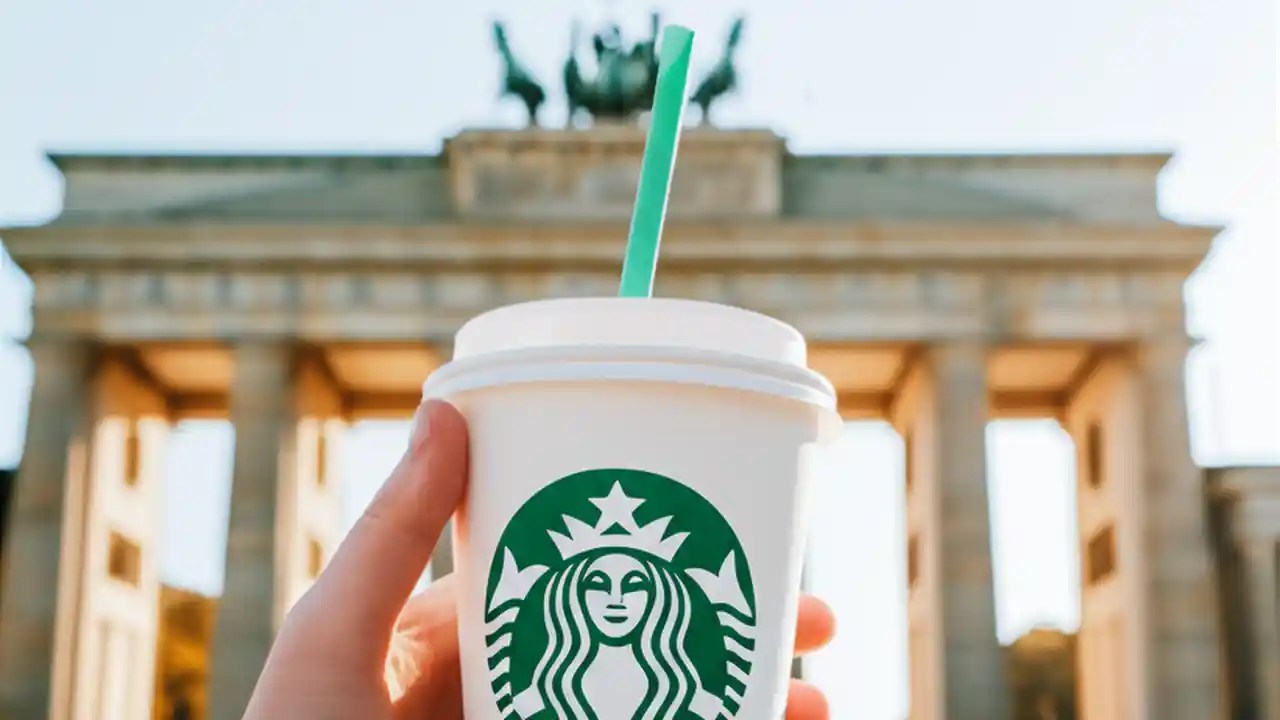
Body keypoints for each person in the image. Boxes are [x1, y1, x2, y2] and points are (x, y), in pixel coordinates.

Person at [244, 401, 835, 719]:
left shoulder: (706, 698)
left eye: (636, 582)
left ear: (663, 594)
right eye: (597, 580)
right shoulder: (530, 696)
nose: (616, 597)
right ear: (570, 592)